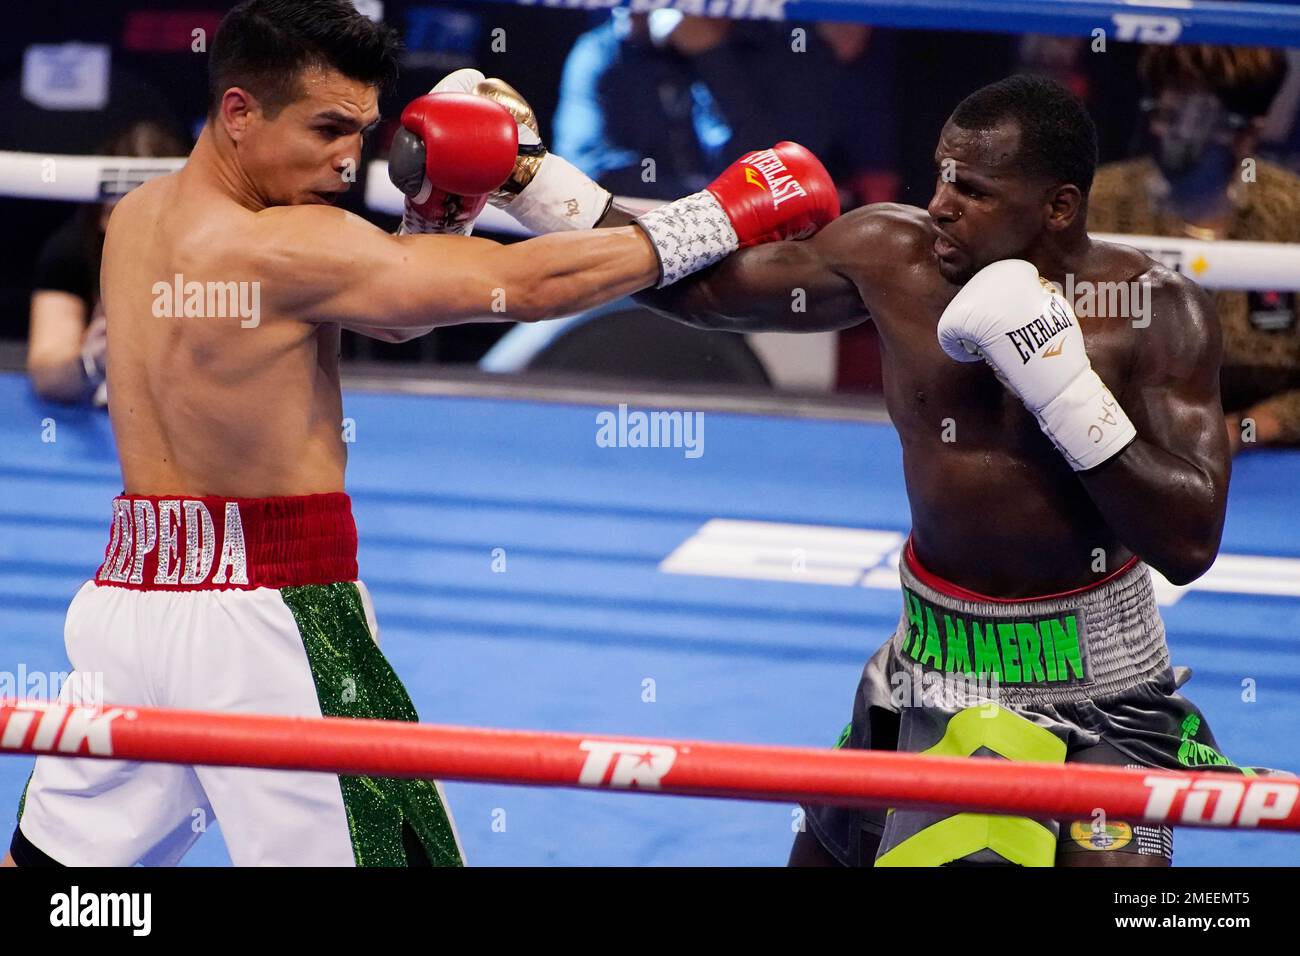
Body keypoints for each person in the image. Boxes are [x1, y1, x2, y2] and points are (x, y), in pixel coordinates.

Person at [4, 0, 837, 867]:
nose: (345, 160)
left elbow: (393, 307)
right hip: (274, 617)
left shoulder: (137, 217)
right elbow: (533, 285)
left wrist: (440, 215)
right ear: (239, 110)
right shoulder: (292, 244)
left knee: (66, 880)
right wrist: (730, 209)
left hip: (129, 601)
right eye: (326, 128)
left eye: (361, 133)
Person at [625, 74, 1252, 866]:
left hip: (1099, 681)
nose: (942, 204)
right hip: (930, 659)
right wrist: (552, 199)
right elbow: (707, 293)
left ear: (1059, 207)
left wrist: (1062, 390)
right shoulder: (893, 254)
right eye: (942, 176)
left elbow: (1190, 541)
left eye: (975, 190)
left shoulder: (1156, 310)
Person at [1089, 45, 1300, 454]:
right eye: (1161, 112)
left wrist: (1244, 430)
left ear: (1245, 132)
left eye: (1184, 118)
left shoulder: (1290, 216)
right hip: (1115, 452)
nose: (1161, 130)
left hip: (1271, 468)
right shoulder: (1100, 204)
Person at [26, 121, 189, 405]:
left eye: (154, 212)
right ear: (102, 215)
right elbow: (47, 373)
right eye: (124, 210)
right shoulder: (71, 251)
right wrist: (90, 362)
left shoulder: (214, 254)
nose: (142, 227)